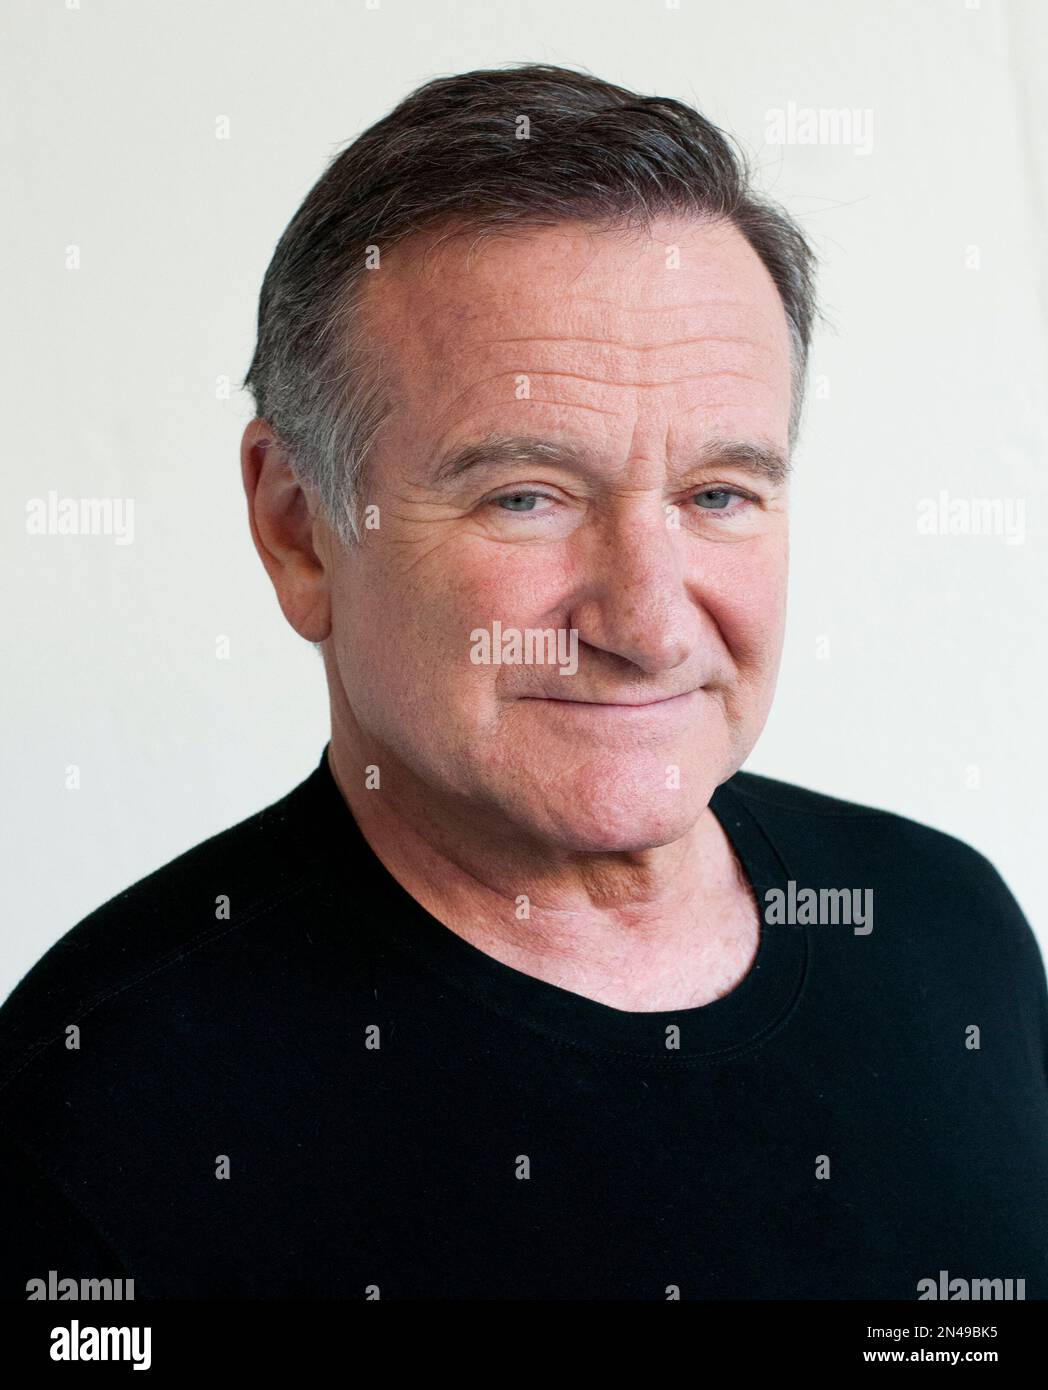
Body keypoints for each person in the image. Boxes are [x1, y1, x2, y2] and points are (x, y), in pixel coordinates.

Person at [2, 63, 1046, 1301]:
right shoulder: (88, 1115)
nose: (648, 624)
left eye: (717, 493)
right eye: (526, 497)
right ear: (298, 527)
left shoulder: (945, 924)